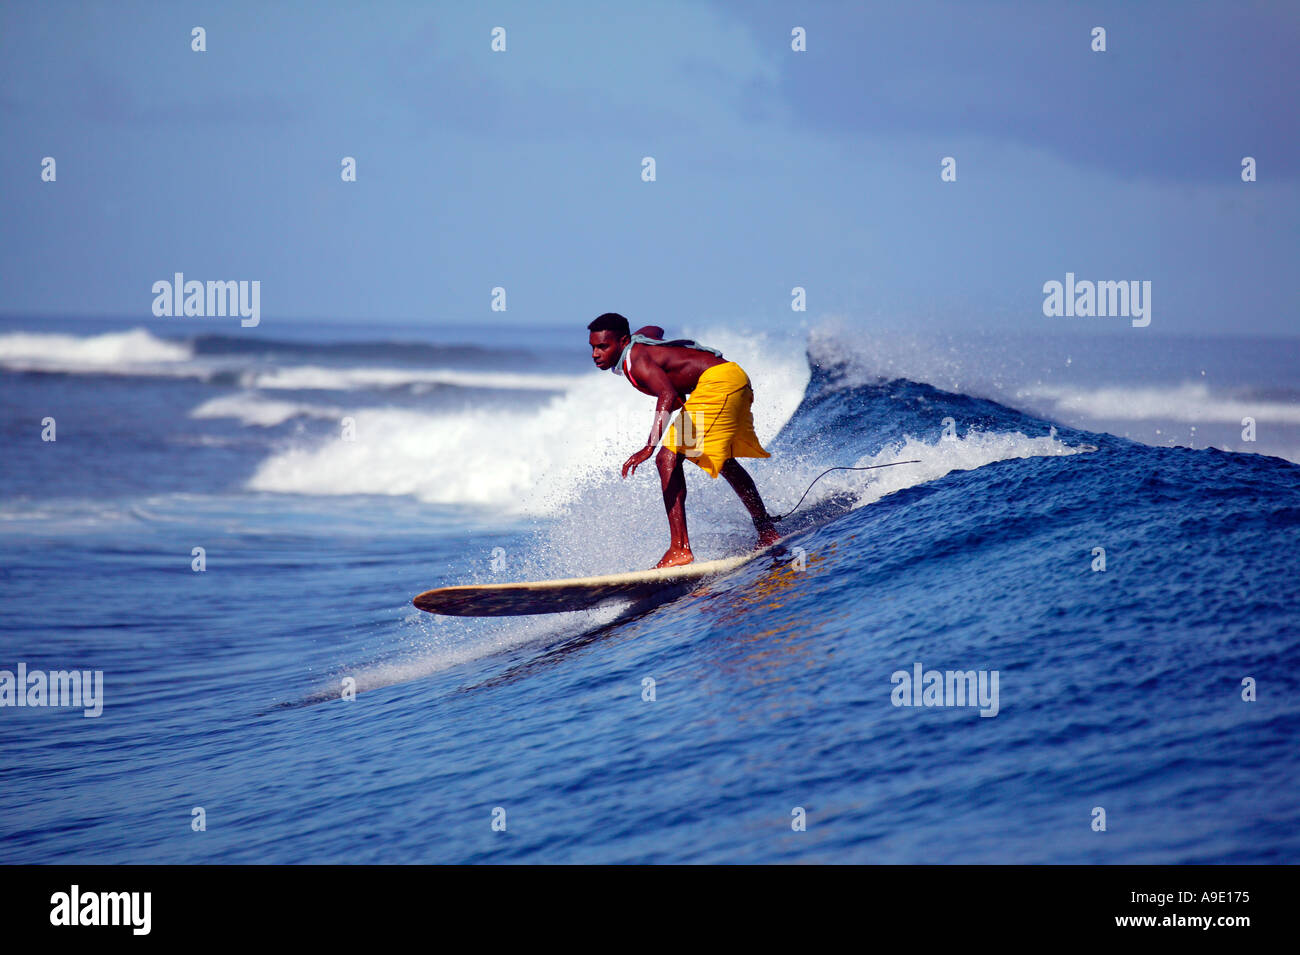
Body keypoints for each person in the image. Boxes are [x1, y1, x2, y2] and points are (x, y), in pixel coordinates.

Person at [587, 312, 780, 568]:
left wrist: (649, 445)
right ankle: (766, 531)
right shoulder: (640, 342)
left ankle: (679, 549)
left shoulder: (635, 362)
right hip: (731, 377)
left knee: (665, 457)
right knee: (718, 459)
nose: (595, 354)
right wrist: (668, 354)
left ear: (622, 342)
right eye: (593, 347)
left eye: (603, 346)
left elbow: (666, 392)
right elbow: (655, 328)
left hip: (717, 384)